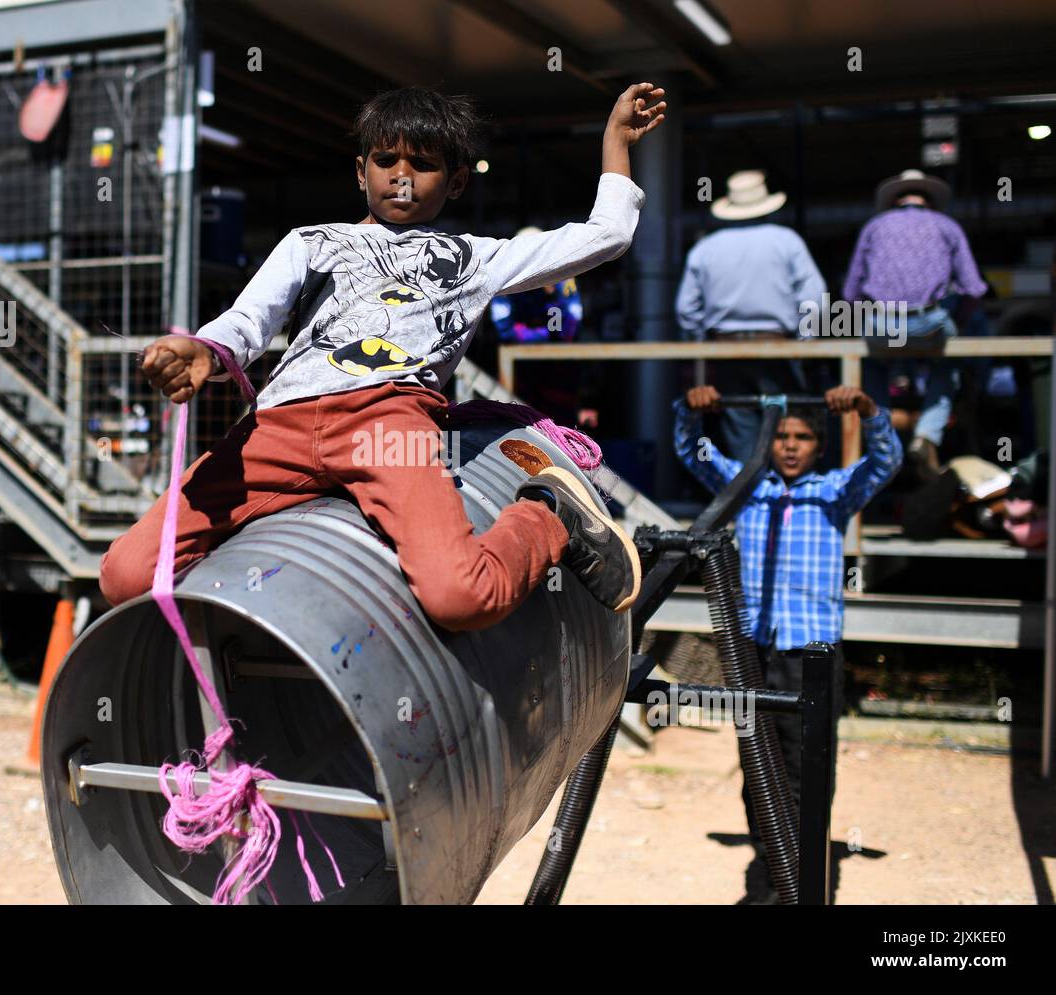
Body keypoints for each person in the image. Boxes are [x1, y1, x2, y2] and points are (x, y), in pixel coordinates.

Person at [98, 83, 669, 629]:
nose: (401, 176)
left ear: (457, 183)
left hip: (389, 426)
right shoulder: (311, 242)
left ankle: (548, 513)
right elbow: (250, 319)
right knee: (125, 574)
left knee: (462, 596)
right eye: (385, 160)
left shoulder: (476, 258)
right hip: (280, 427)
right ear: (360, 171)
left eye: (423, 165)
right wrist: (206, 349)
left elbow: (605, 238)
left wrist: (614, 143)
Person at [674, 383, 903, 902]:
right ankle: (771, 859)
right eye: (781, 436)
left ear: (818, 447)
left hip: (810, 655)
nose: (792, 445)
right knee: (757, 759)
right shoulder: (746, 486)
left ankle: (798, 876)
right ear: (766, 443)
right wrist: (693, 409)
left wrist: (868, 412)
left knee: (807, 765)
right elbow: (692, 449)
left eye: (802, 437)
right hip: (755, 649)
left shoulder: (835, 492)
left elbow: (886, 460)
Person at [842, 168, 988, 481]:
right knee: (947, 365)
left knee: (873, 368)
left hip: (882, 326)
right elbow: (974, 289)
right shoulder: (947, 226)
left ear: (895, 200)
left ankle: (883, 439)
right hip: (929, 324)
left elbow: (850, 292)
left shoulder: (874, 227)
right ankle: (927, 434)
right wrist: (957, 320)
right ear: (930, 200)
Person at [675, 170, 826, 462]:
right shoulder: (787, 241)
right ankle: (783, 499)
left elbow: (686, 309)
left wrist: (700, 343)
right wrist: (805, 344)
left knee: (741, 431)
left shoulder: (705, 249)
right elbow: (815, 298)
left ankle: (751, 496)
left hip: (725, 351)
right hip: (778, 348)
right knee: (786, 429)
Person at [488, 239, 599, 428]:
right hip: (518, 372)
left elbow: (563, 333)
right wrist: (541, 335)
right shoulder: (506, 277)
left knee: (558, 428)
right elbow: (505, 331)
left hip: (555, 373)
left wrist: (552, 297)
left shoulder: (560, 280)